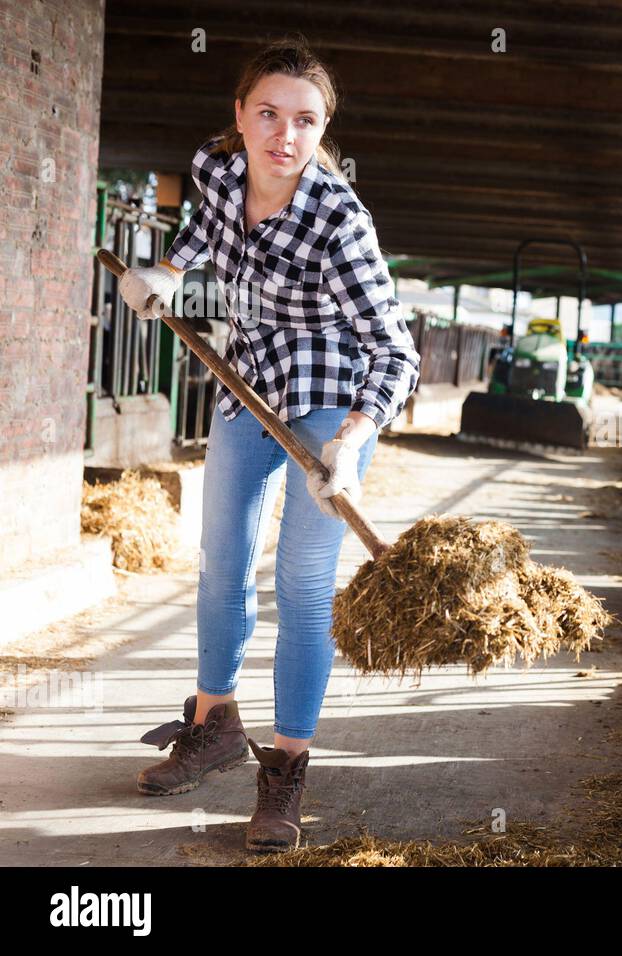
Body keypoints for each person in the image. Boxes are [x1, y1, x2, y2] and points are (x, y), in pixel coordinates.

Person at [118, 38, 420, 853]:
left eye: (307, 121)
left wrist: (353, 444)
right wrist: (170, 272)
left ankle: (285, 768)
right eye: (270, 114)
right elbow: (201, 227)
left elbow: (396, 352)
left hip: (326, 399)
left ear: (324, 131)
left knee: (306, 581)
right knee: (220, 559)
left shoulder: (339, 221)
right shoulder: (215, 171)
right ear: (241, 118)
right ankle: (214, 726)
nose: (286, 136)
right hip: (246, 381)